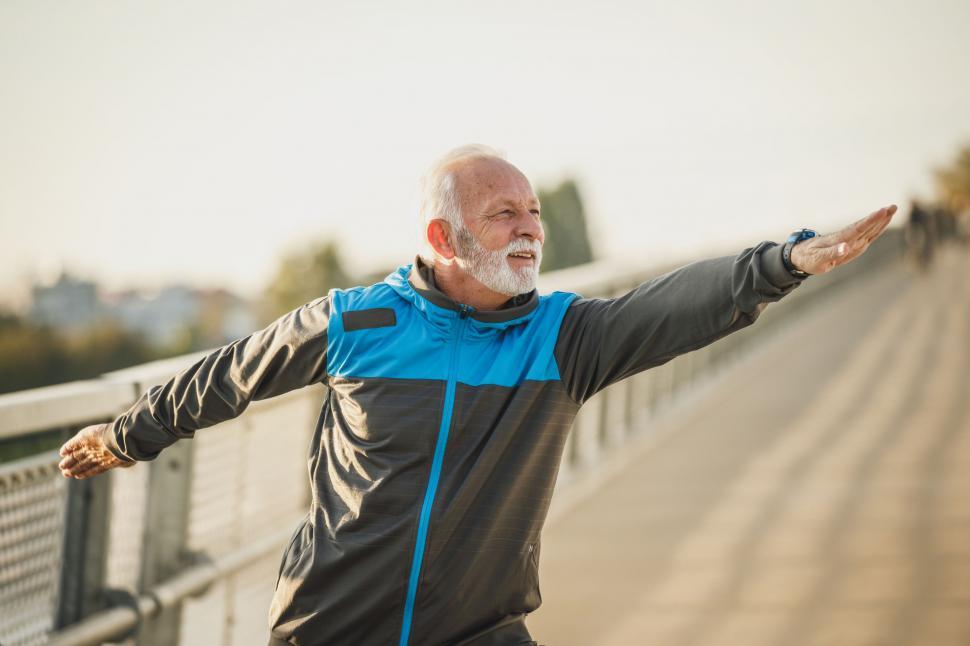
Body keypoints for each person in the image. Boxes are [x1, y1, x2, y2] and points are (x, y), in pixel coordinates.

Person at [58, 145, 897, 645]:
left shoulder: (564, 337)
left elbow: (671, 305)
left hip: (481, 634)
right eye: (503, 215)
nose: (530, 227)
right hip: (327, 629)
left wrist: (783, 263)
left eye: (532, 212)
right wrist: (125, 435)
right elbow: (228, 376)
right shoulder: (356, 321)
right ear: (443, 235)